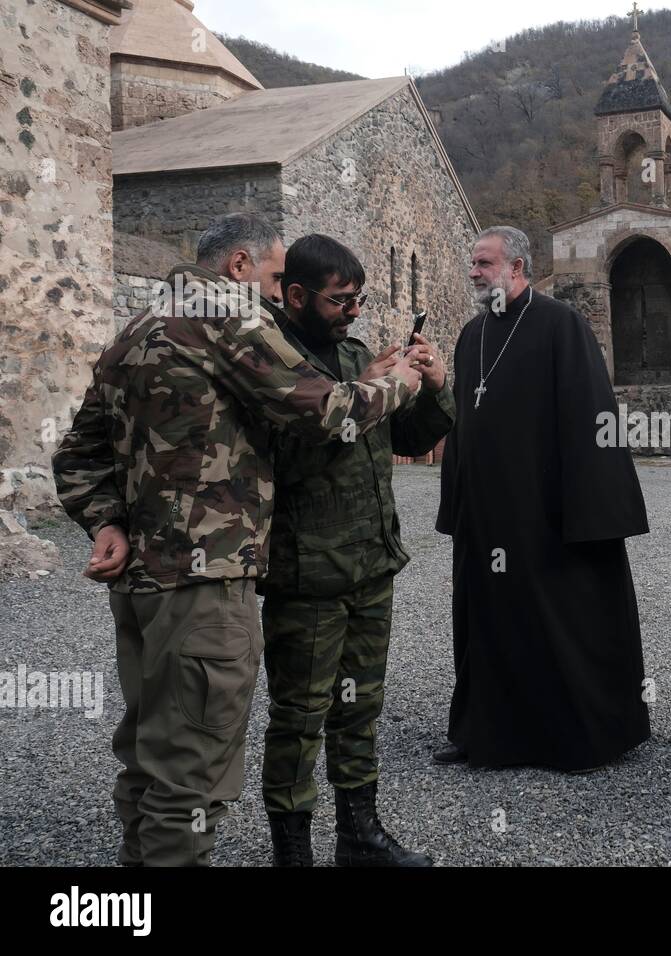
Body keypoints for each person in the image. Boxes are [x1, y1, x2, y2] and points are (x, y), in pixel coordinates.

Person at [52, 213, 421, 866]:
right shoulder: (226, 314)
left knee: (149, 762)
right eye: (278, 278)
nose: (283, 296)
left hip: (140, 587)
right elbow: (326, 414)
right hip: (202, 587)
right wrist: (397, 385)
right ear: (240, 267)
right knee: (191, 775)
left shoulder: (136, 330)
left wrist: (105, 523)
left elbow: (77, 451)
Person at [259, 234, 454, 866]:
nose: (354, 310)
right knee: (299, 718)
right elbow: (287, 457)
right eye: (341, 300)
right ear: (296, 295)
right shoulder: (273, 362)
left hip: (372, 564)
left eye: (359, 298)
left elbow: (411, 436)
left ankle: (359, 835)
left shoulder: (354, 354)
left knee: (359, 706)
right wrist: (366, 394)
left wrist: (431, 385)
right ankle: (293, 853)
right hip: (308, 574)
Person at [431, 226, 651, 771]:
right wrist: (456, 505)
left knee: (559, 623)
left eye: (484, 263)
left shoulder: (561, 325)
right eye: (473, 263)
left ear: (518, 268)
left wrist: (592, 512)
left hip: (545, 514)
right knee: (487, 624)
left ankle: (573, 737)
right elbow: (463, 424)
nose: (475, 272)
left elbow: (593, 419)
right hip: (486, 518)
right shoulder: (470, 336)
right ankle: (487, 732)